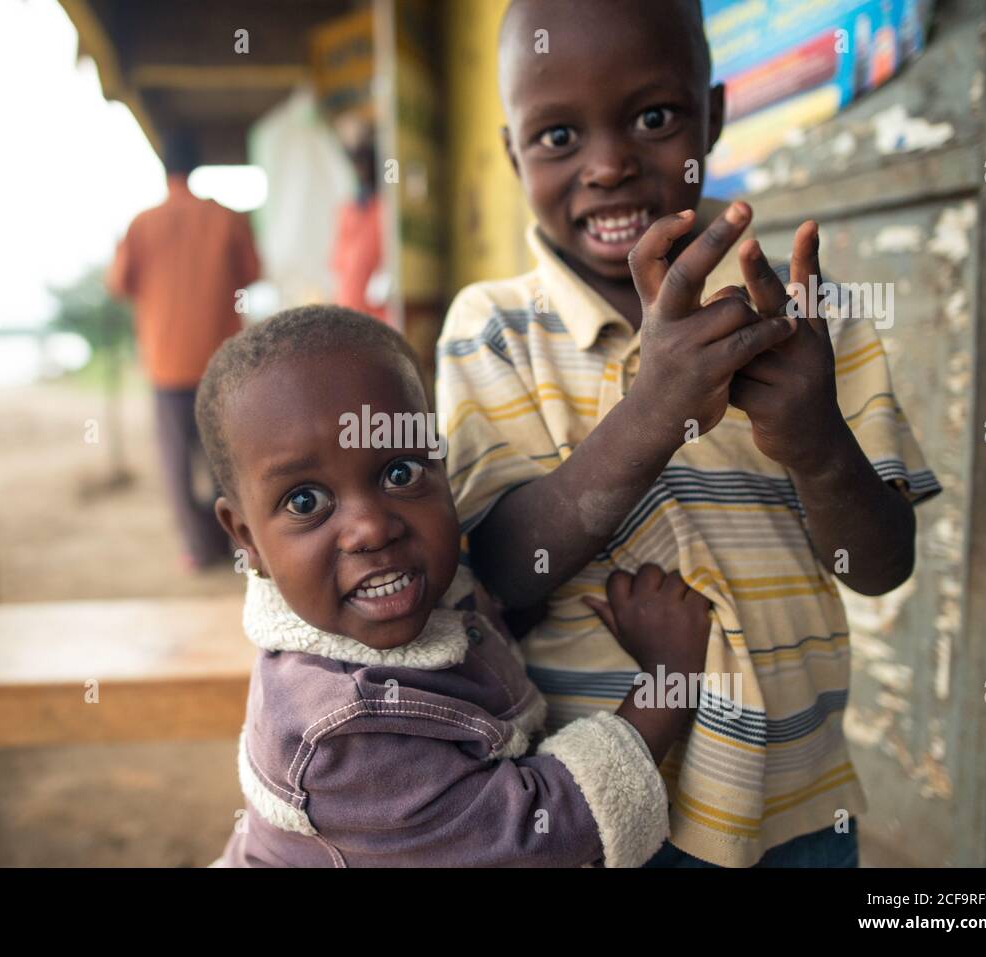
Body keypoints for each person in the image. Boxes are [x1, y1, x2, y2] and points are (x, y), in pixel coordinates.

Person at [434, 0, 941, 867]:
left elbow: (880, 564)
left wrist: (820, 444)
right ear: (513, 150)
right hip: (609, 809)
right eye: (558, 136)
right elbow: (503, 571)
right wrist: (650, 414)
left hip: (801, 806)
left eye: (655, 118)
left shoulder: (806, 321)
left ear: (714, 114)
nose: (609, 165)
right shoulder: (494, 329)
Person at [197, 306, 712, 867]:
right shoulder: (344, 732)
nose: (371, 527)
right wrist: (669, 679)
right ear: (246, 537)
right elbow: (532, 839)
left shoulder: (416, 592)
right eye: (305, 502)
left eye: (401, 472)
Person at [107, 130, 260, 571]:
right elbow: (252, 272)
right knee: (223, 456)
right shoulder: (226, 219)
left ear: (164, 168)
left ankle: (197, 548)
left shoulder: (141, 225)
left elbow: (119, 284)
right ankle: (237, 545)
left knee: (175, 463)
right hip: (221, 362)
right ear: (198, 166)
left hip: (166, 364)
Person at [329, 121, 389, 324]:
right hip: (350, 315)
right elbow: (339, 268)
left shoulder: (386, 210)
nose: (358, 169)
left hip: (378, 318)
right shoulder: (350, 211)